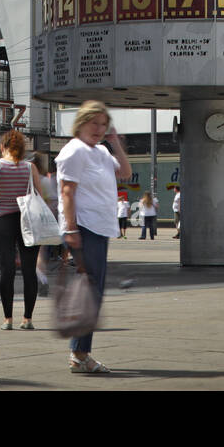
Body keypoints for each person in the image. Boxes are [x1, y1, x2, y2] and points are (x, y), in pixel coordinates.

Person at [56, 100, 132, 373]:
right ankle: (79, 354)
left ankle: (80, 353)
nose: (99, 129)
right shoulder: (74, 151)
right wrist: (71, 229)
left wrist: (115, 143)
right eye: (94, 123)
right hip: (84, 227)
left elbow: (126, 173)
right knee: (90, 293)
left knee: (93, 292)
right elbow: (67, 192)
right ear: (81, 123)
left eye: (103, 124)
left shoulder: (100, 151)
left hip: (100, 227)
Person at [0, 130, 43, 330]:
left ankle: (7, 319)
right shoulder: (30, 167)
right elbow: (39, 194)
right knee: (29, 270)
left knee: (7, 270)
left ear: (3, 146)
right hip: (28, 220)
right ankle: (27, 319)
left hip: (4, 221)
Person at [34, 154, 59, 289]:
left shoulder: (26, 179)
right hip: (42, 218)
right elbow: (52, 201)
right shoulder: (44, 180)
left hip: (26, 218)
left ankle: (35, 277)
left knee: (28, 251)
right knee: (41, 251)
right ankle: (42, 277)